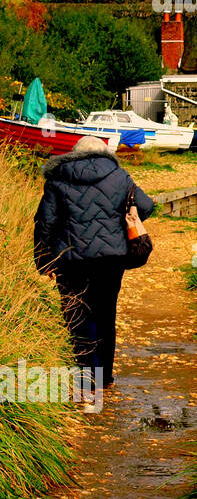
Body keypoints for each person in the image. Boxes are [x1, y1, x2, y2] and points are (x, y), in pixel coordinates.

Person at [33, 136, 155, 393]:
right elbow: (146, 205)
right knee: (105, 314)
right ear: (104, 154)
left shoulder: (57, 179)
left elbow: (45, 223)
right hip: (111, 260)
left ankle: (87, 378)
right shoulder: (120, 177)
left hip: (70, 260)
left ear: (74, 154)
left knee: (77, 316)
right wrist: (117, 216)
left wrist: (43, 261)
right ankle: (105, 377)